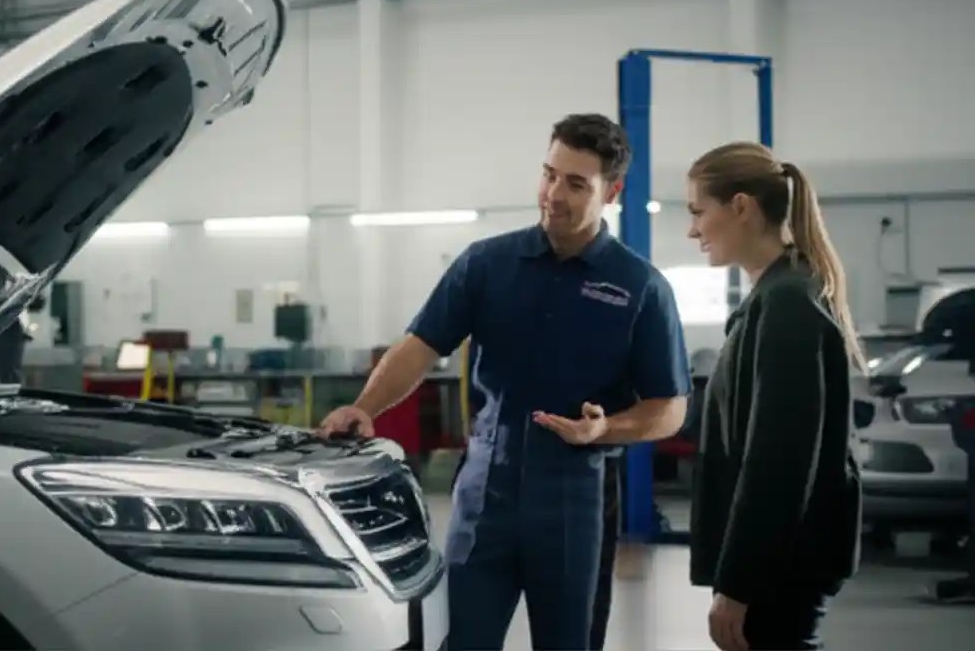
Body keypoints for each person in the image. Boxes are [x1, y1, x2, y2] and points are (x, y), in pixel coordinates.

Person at [319, 113, 692, 650]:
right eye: (549, 174)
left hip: (575, 493)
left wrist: (605, 428)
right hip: (483, 492)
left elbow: (670, 407)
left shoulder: (640, 288)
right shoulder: (487, 264)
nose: (552, 194)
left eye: (575, 184)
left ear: (613, 190)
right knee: (465, 640)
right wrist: (365, 406)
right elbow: (420, 345)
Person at [684, 141, 864, 651]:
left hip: (778, 571)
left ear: (741, 207)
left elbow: (778, 461)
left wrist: (739, 585)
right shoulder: (776, 297)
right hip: (777, 568)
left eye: (699, 212)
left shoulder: (787, 304)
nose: (692, 230)